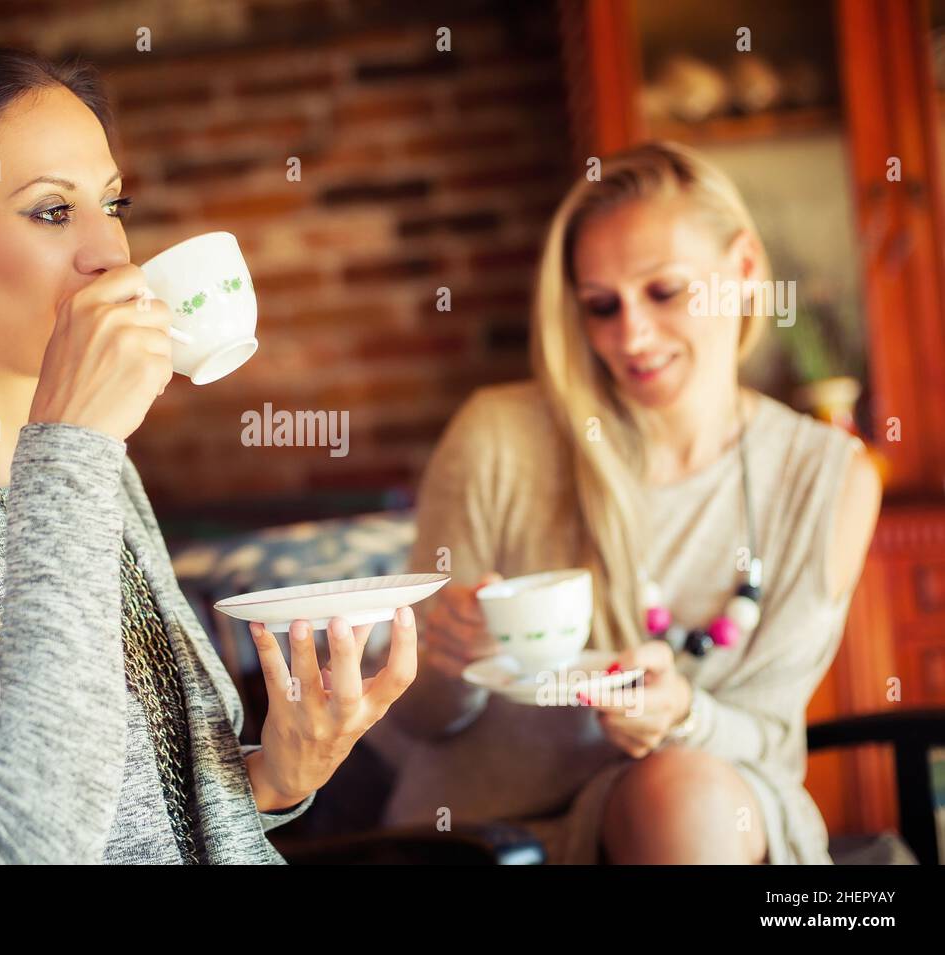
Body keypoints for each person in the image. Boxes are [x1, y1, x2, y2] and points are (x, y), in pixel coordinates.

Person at [0, 41, 416, 864]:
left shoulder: (97, 469)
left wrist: (278, 777)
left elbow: (144, 814)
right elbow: (24, 839)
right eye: (51, 210)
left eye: (114, 202)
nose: (112, 252)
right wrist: (74, 446)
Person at [377, 141, 881, 864]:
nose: (631, 337)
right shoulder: (499, 436)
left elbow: (769, 733)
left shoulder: (824, 478)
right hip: (492, 830)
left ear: (741, 270)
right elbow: (417, 718)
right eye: (601, 307)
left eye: (664, 291)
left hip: (706, 817)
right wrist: (447, 659)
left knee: (677, 789)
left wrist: (684, 717)